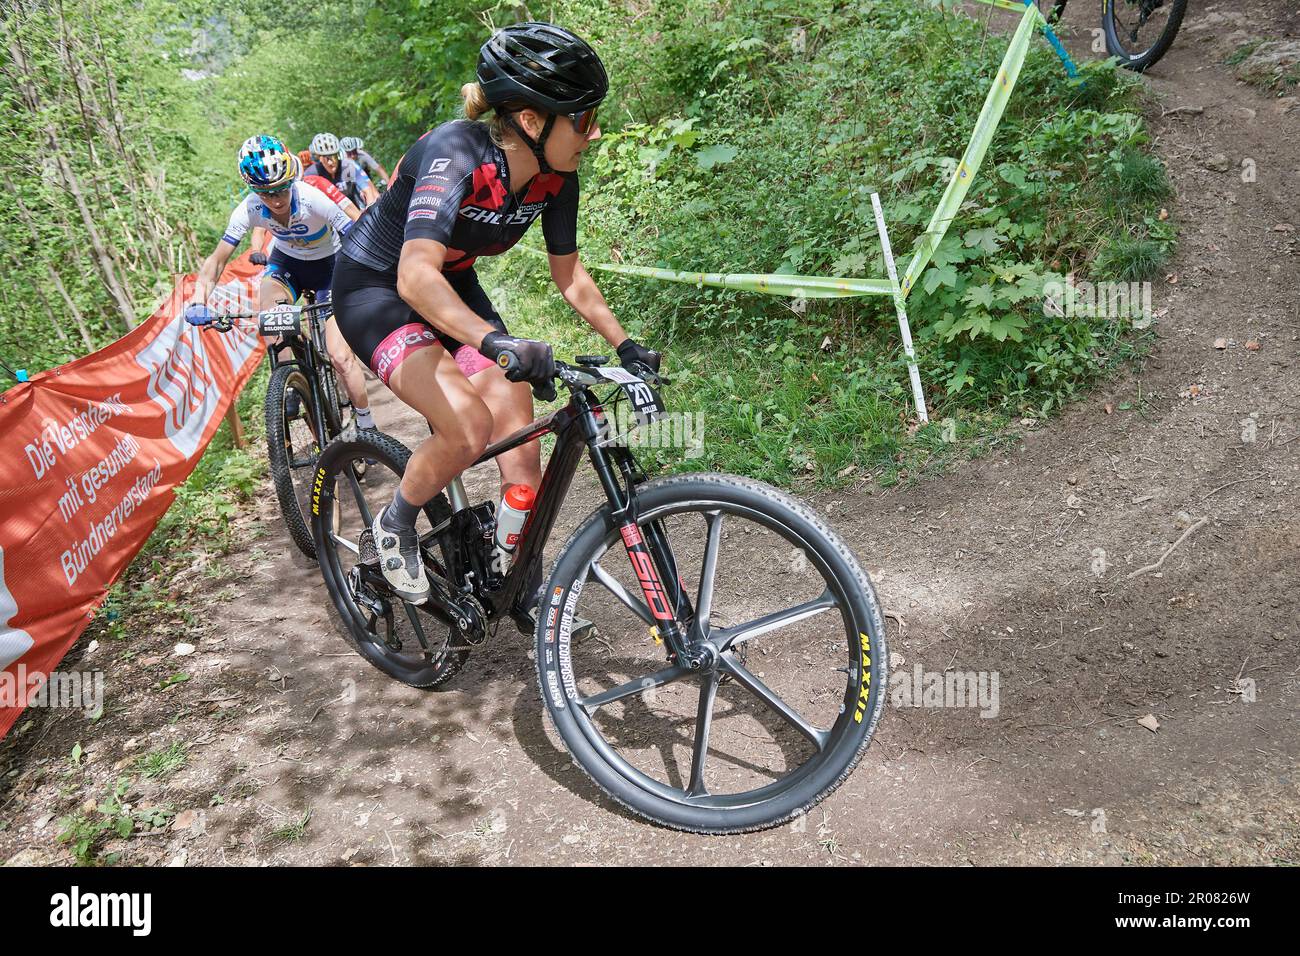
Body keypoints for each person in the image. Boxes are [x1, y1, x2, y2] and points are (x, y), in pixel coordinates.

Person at [331, 22, 660, 608]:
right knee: (466, 424)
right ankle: (393, 527)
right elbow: (414, 276)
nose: (595, 131)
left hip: (451, 285)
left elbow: (571, 275)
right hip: (377, 288)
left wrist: (625, 344)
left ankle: (513, 579)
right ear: (532, 121)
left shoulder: (558, 179)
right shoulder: (454, 151)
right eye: (583, 119)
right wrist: (493, 342)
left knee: (519, 442)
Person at [189, 135, 377, 434]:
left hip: (332, 266)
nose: (276, 200)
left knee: (340, 357)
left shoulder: (312, 197)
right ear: (253, 190)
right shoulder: (248, 209)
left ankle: (367, 424)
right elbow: (217, 259)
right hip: (288, 264)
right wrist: (199, 300)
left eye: (281, 189)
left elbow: (355, 233)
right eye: (266, 193)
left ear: (291, 178)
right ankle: (289, 380)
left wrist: (370, 275)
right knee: (267, 308)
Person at [303, 133, 378, 210]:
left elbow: (368, 191)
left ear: (338, 154)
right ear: (319, 157)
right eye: (326, 158)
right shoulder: (310, 174)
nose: (330, 162)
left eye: (333, 156)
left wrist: (370, 209)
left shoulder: (348, 166)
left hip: (354, 209)